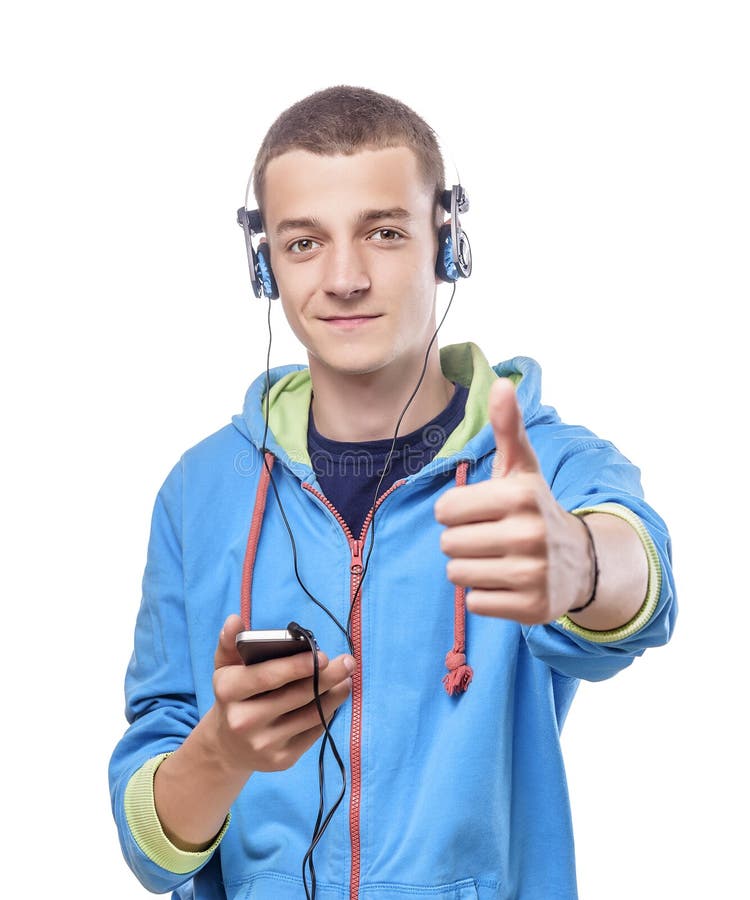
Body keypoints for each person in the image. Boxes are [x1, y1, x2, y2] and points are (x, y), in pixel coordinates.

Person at [109, 84, 677, 900]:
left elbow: (641, 580)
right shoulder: (200, 491)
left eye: (382, 232)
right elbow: (150, 850)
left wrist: (583, 565)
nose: (344, 278)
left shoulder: (542, 462)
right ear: (263, 263)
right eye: (304, 243)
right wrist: (222, 756)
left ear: (446, 247)